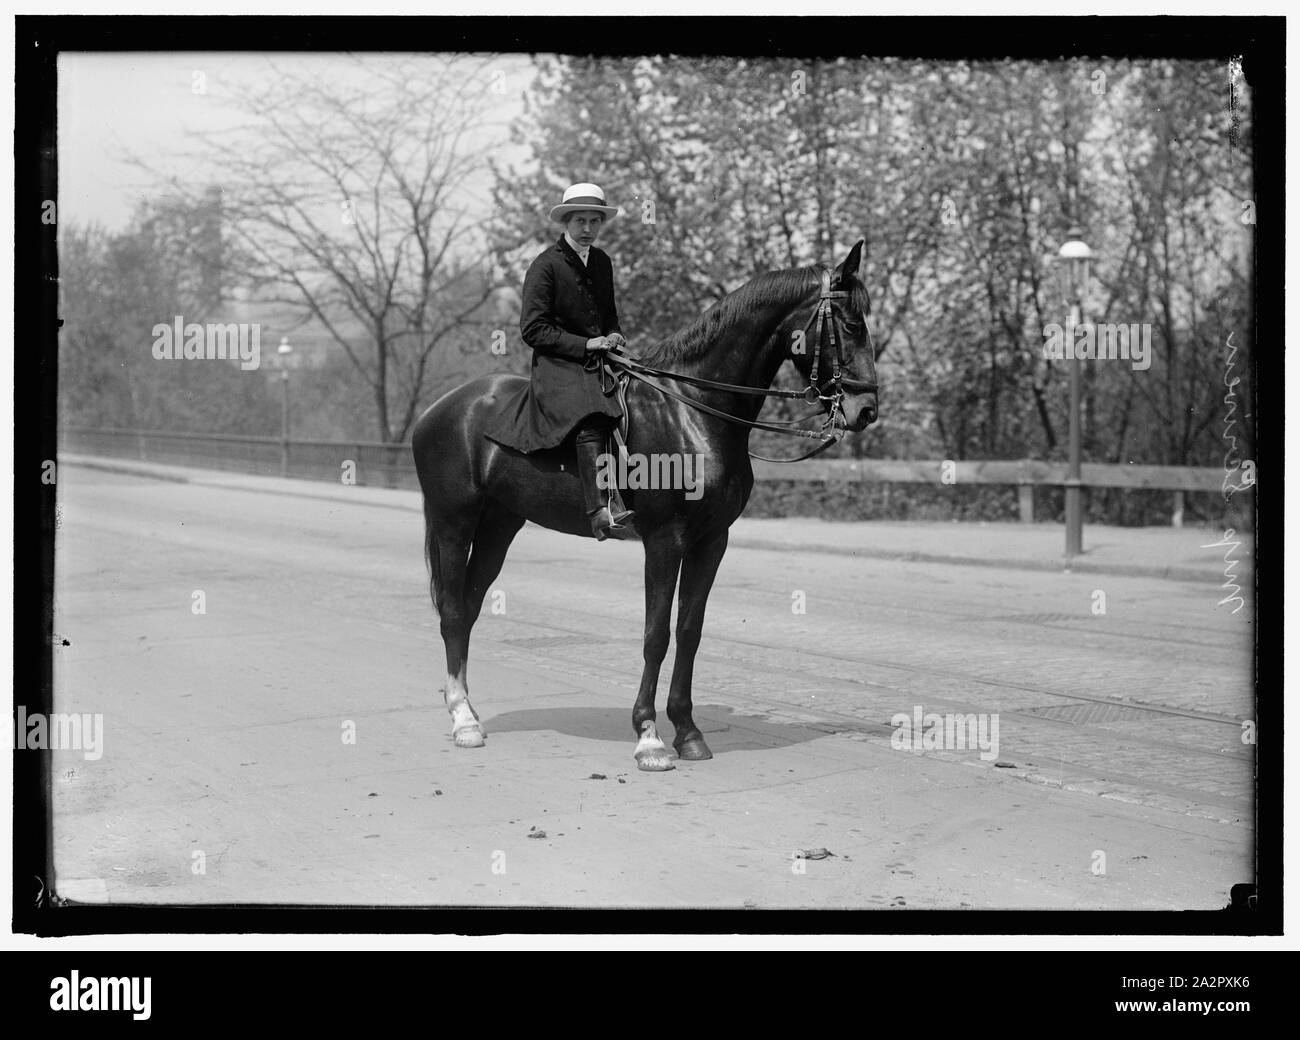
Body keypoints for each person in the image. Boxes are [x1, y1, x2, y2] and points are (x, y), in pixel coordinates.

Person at [484, 182, 634, 540]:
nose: (587, 228)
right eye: (580, 220)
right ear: (566, 222)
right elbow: (533, 329)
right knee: (592, 413)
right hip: (558, 364)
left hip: (600, 360)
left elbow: (608, 316)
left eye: (594, 221)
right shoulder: (545, 265)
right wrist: (587, 344)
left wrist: (613, 335)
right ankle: (600, 509)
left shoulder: (601, 262)